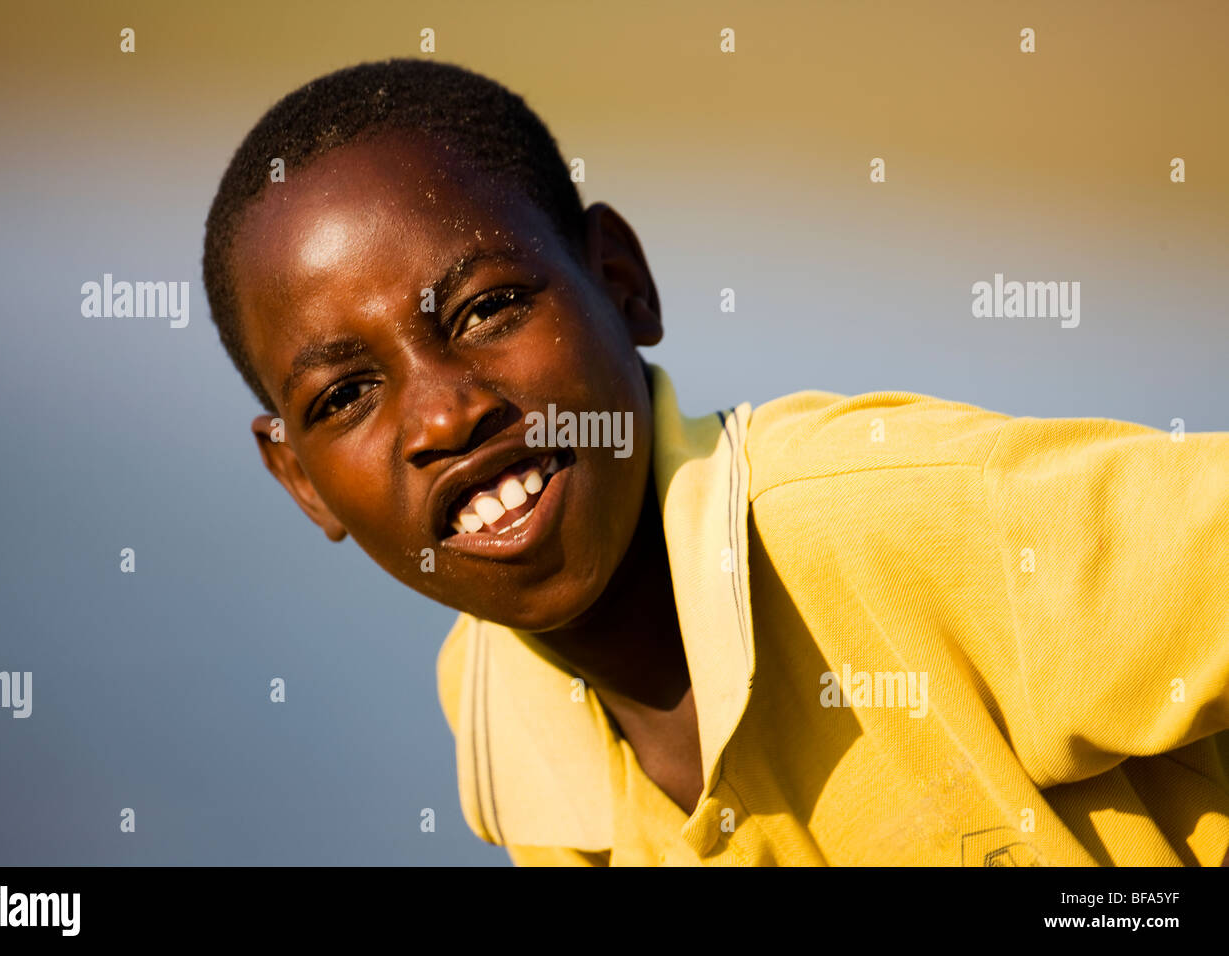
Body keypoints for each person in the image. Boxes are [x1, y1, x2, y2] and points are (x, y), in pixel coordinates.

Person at [202, 57, 1229, 866]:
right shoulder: (496, 708)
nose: (443, 414)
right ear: (299, 479)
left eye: (487, 308)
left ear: (621, 283)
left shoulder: (885, 526)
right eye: (343, 396)